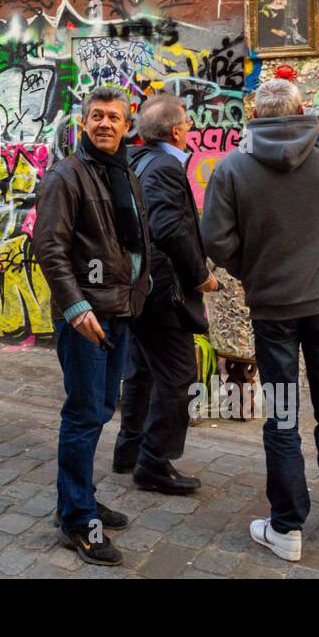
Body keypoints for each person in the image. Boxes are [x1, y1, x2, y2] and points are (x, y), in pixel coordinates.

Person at [200, 52, 319, 563]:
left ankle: (287, 527)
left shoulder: (233, 166)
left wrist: (253, 269)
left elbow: (215, 238)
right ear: (304, 109)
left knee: (281, 417)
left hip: (273, 310)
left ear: (252, 117)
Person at [33, 86, 151, 567]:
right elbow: (49, 247)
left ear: (128, 126)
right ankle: (78, 520)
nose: (105, 124)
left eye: (114, 118)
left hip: (120, 310)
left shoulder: (124, 169)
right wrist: (75, 307)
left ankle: (78, 496)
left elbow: (137, 237)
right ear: (84, 124)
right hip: (87, 316)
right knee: (83, 414)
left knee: (101, 409)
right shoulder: (68, 175)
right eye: (97, 116)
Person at [113, 93, 217, 495]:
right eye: (188, 124)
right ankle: (154, 463)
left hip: (141, 288)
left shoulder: (138, 159)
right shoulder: (162, 167)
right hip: (160, 292)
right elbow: (168, 228)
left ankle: (129, 451)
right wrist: (199, 276)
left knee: (140, 369)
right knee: (179, 376)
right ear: (176, 131)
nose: (191, 129)